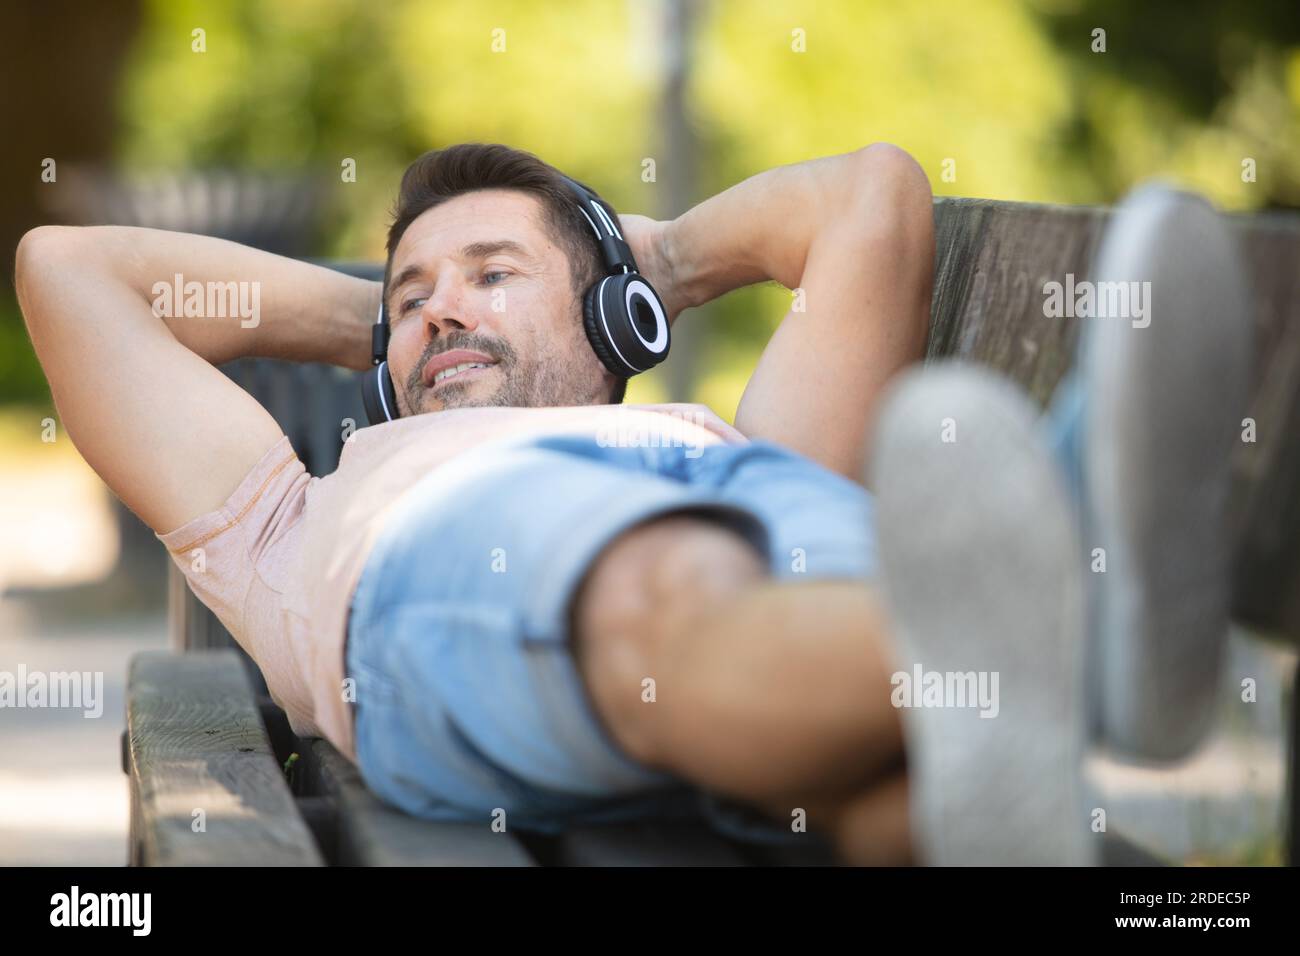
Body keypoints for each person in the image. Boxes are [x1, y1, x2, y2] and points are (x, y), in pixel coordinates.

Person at [15, 143, 1249, 865]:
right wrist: (385, 325)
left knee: (902, 778)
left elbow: (872, 194)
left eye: (497, 273)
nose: (442, 305)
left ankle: (1031, 648)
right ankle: (1076, 606)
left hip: (779, 620)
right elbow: (67, 272)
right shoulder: (303, 514)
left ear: (620, 323)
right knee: (663, 589)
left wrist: (641, 267)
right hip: (454, 567)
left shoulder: (736, 442)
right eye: (413, 294)